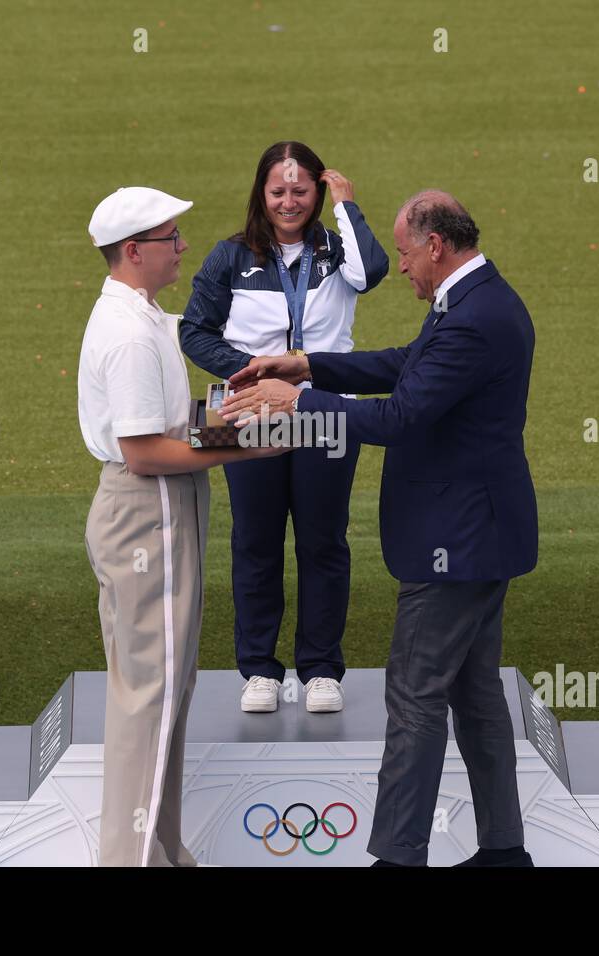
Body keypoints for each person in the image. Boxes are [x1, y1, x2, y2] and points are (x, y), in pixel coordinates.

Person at [224, 190, 536, 868]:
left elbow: (398, 418)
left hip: (454, 542)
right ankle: (504, 851)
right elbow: (406, 363)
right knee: (475, 695)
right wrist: (307, 364)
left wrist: (299, 401)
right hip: (479, 532)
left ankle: (398, 857)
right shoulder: (474, 300)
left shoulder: (471, 317)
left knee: (416, 696)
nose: (399, 268)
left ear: (434, 246)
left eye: (402, 253)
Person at [80, 186, 288, 867]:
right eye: (171, 238)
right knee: (149, 696)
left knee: (166, 689)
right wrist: (253, 446)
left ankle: (161, 851)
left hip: (161, 511)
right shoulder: (131, 334)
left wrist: (227, 422)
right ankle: (133, 860)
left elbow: (167, 429)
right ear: (134, 251)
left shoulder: (143, 317)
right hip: (149, 514)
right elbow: (143, 452)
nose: (184, 248)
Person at [180, 141, 388, 716]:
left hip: (327, 410)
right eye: (278, 191)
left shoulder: (337, 250)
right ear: (260, 194)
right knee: (256, 541)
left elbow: (370, 273)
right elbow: (194, 331)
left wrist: (347, 208)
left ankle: (321, 668)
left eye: (302, 190)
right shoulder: (231, 256)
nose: (290, 201)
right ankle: (259, 670)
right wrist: (247, 373)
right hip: (255, 414)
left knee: (324, 541)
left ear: (319, 192)